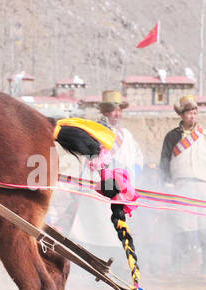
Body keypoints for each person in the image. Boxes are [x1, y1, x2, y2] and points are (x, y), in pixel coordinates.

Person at [61, 88, 145, 253]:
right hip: (98, 184)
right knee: (95, 226)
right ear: (106, 111)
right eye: (113, 110)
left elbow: (137, 156)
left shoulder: (126, 135)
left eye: (119, 110)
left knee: (116, 227)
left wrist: (133, 172)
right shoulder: (93, 131)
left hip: (120, 186)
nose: (117, 114)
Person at [159, 95, 206, 271]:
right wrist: (167, 183)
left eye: (195, 113)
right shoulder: (172, 136)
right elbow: (164, 161)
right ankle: (177, 264)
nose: (192, 117)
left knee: (204, 225)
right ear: (181, 115)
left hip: (203, 186)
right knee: (181, 225)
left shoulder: (205, 136)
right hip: (181, 185)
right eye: (189, 113)